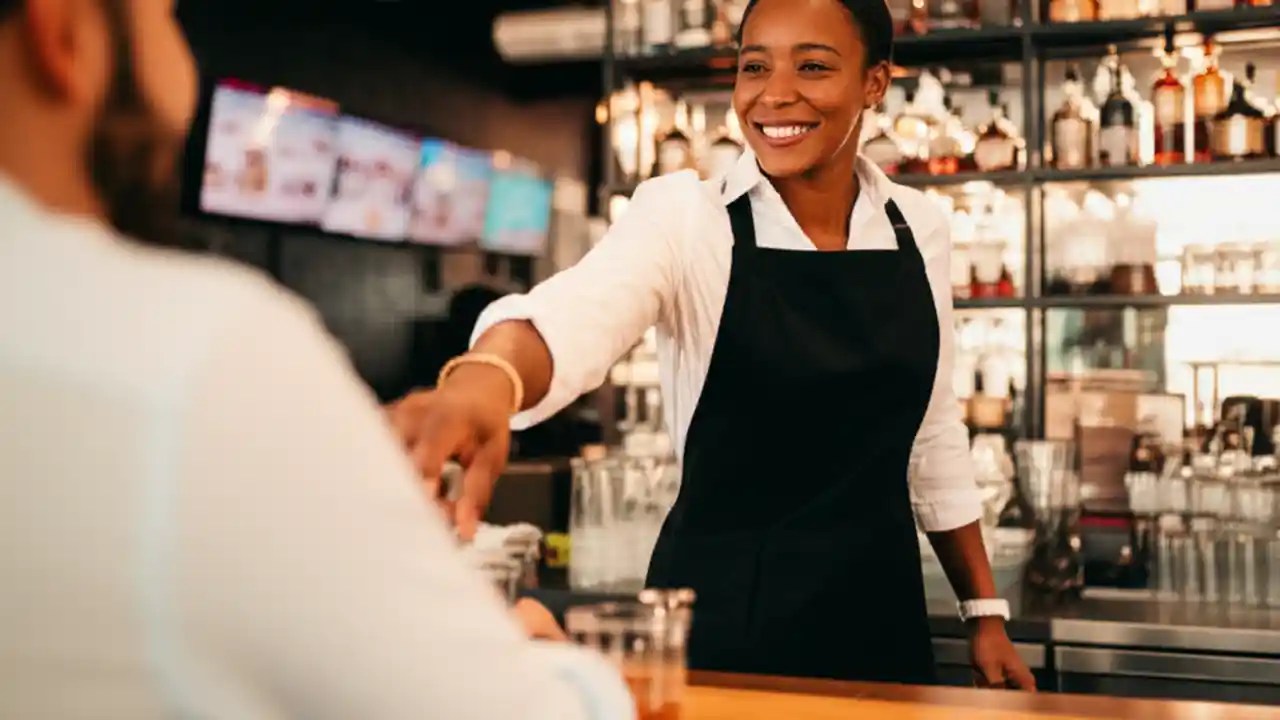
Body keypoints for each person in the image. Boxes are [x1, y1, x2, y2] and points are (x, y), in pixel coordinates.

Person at [0, 1, 633, 718]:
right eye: (166, 16)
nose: (185, 66)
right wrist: (544, 656)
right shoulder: (207, 356)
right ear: (64, 35)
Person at [390, 0, 1036, 690]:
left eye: (813, 65)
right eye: (754, 65)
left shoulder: (918, 227)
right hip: (726, 628)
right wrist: (485, 379)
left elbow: (933, 435)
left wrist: (984, 614)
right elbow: (574, 312)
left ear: (874, 82)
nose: (774, 93)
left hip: (879, 621)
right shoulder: (688, 218)